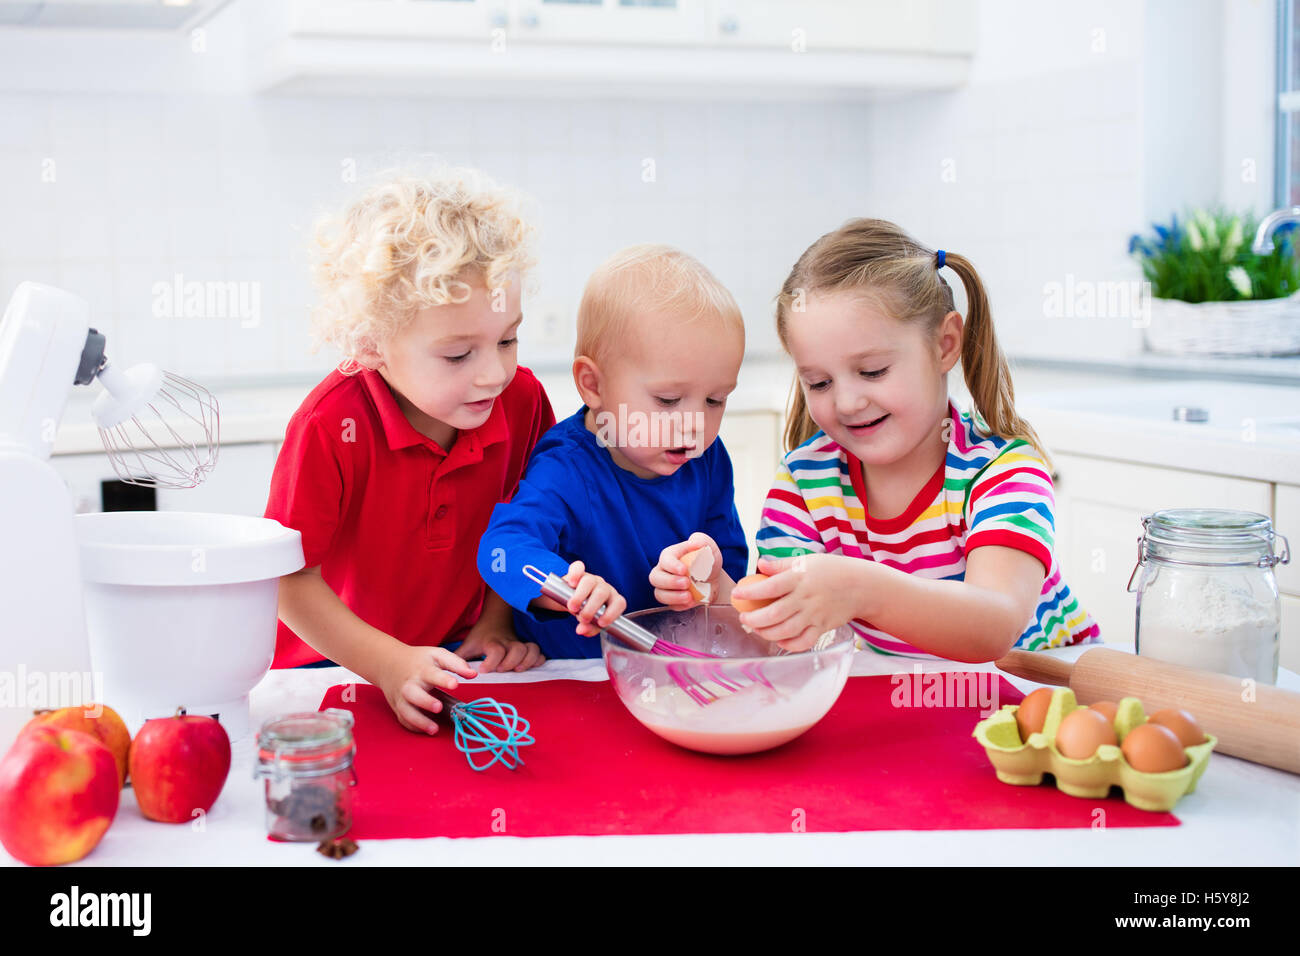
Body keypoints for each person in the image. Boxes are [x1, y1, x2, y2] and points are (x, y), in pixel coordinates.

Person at [653, 218, 1099, 661]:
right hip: (920, 704)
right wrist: (717, 593)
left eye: (872, 372)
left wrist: (861, 589)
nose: (846, 402)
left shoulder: (1000, 473)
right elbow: (784, 640)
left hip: (1043, 695)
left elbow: (994, 627)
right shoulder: (806, 482)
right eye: (820, 382)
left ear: (944, 345)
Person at [266, 168, 553, 734]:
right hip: (328, 668)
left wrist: (497, 621)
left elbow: (522, 526)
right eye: (457, 355)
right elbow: (287, 583)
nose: (494, 373)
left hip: (455, 657)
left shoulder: (522, 402)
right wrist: (388, 664)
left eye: (507, 339)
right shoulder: (331, 423)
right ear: (371, 344)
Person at [477, 244, 748, 659]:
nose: (696, 424)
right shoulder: (567, 467)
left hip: (667, 671)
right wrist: (564, 587)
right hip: (578, 674)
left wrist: (706, 577)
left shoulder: (706, 458)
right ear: (594, 386)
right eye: (669, 400)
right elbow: (501, 548)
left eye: (715, 400)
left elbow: (730, 564)